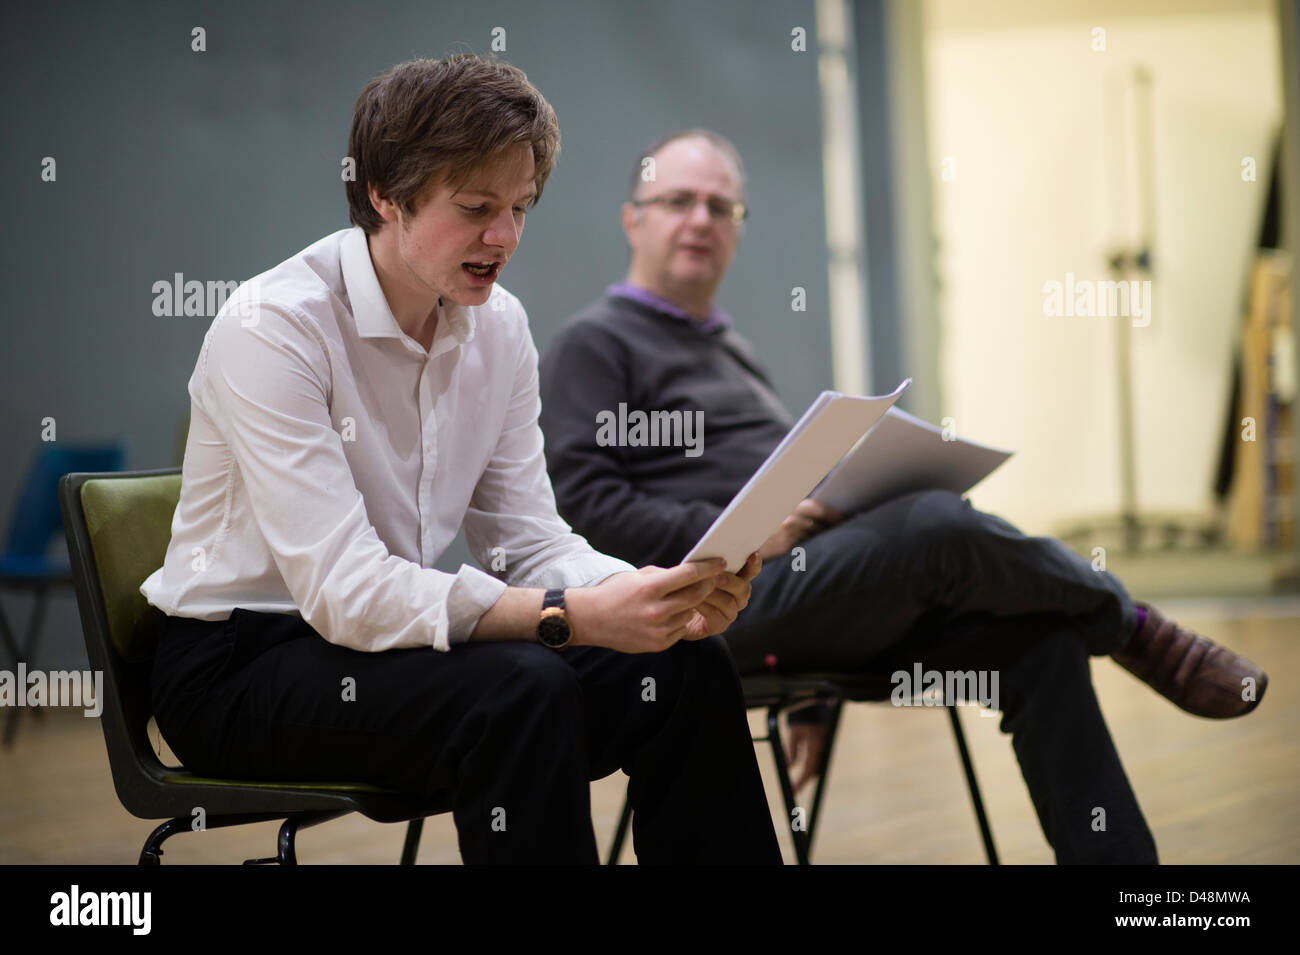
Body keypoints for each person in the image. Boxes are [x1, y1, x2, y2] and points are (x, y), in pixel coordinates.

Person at [537, 128, 1270, 864]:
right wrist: (747, 532)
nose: (701, 219)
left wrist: (815, 678)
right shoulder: (594, 343)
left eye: (721, 207)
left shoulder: (734, 352)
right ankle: (1137, 626)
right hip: (710, 604)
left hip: (807, 591)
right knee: (935, 524)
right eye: (679, 201)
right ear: (635, 219)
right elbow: (585, 508)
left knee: (1038, 641)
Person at [140, 62, 781, 865]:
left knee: (683, 661)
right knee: (522, 687)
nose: (505, 237)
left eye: (520, 208)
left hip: (380, 644)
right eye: (477, 208)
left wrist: (646, 596)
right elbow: (346, 591)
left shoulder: (499, 327)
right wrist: (573, 616)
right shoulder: (272, 328)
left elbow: (528, 541)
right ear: (384, 193)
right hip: (240, 670)